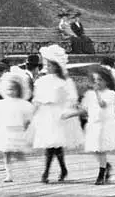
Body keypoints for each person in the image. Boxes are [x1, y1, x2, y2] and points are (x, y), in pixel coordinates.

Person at [30, 45, 81, 183]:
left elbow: (72, 98)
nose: (49, 67)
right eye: (49, 64)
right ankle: (61, 169)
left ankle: (47, 172)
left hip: (58, 113)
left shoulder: (65, 81)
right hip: (46, 114)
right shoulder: (42, 81)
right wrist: (32, 113)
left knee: (54, 144)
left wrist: (67, 110)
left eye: (53, 65)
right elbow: (37, 99)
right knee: (51, 144)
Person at [81, 65, 115, 184]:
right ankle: (106, 165)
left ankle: (101, 174)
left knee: (101, 149)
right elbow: (84, 108)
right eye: (96, 80)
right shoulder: (91, 94)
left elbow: (102, 104)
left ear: (107, 81)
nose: (97, 82)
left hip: (105, 125)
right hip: (93, 124)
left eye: (100, 80)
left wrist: (96, 92)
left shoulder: (111, 93)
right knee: (94, 149)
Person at [0, 67, 37, 183]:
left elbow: (28, 118)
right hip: (6, 131)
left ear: (18, 90)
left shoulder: (23, 104)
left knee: (19, 153)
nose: (11, 92)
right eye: (9, 90)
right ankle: (9, 174)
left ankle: (25, 170)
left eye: (13, 90)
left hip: (18, 131)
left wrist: (27, 127)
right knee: (6, 153)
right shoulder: (2, 104)